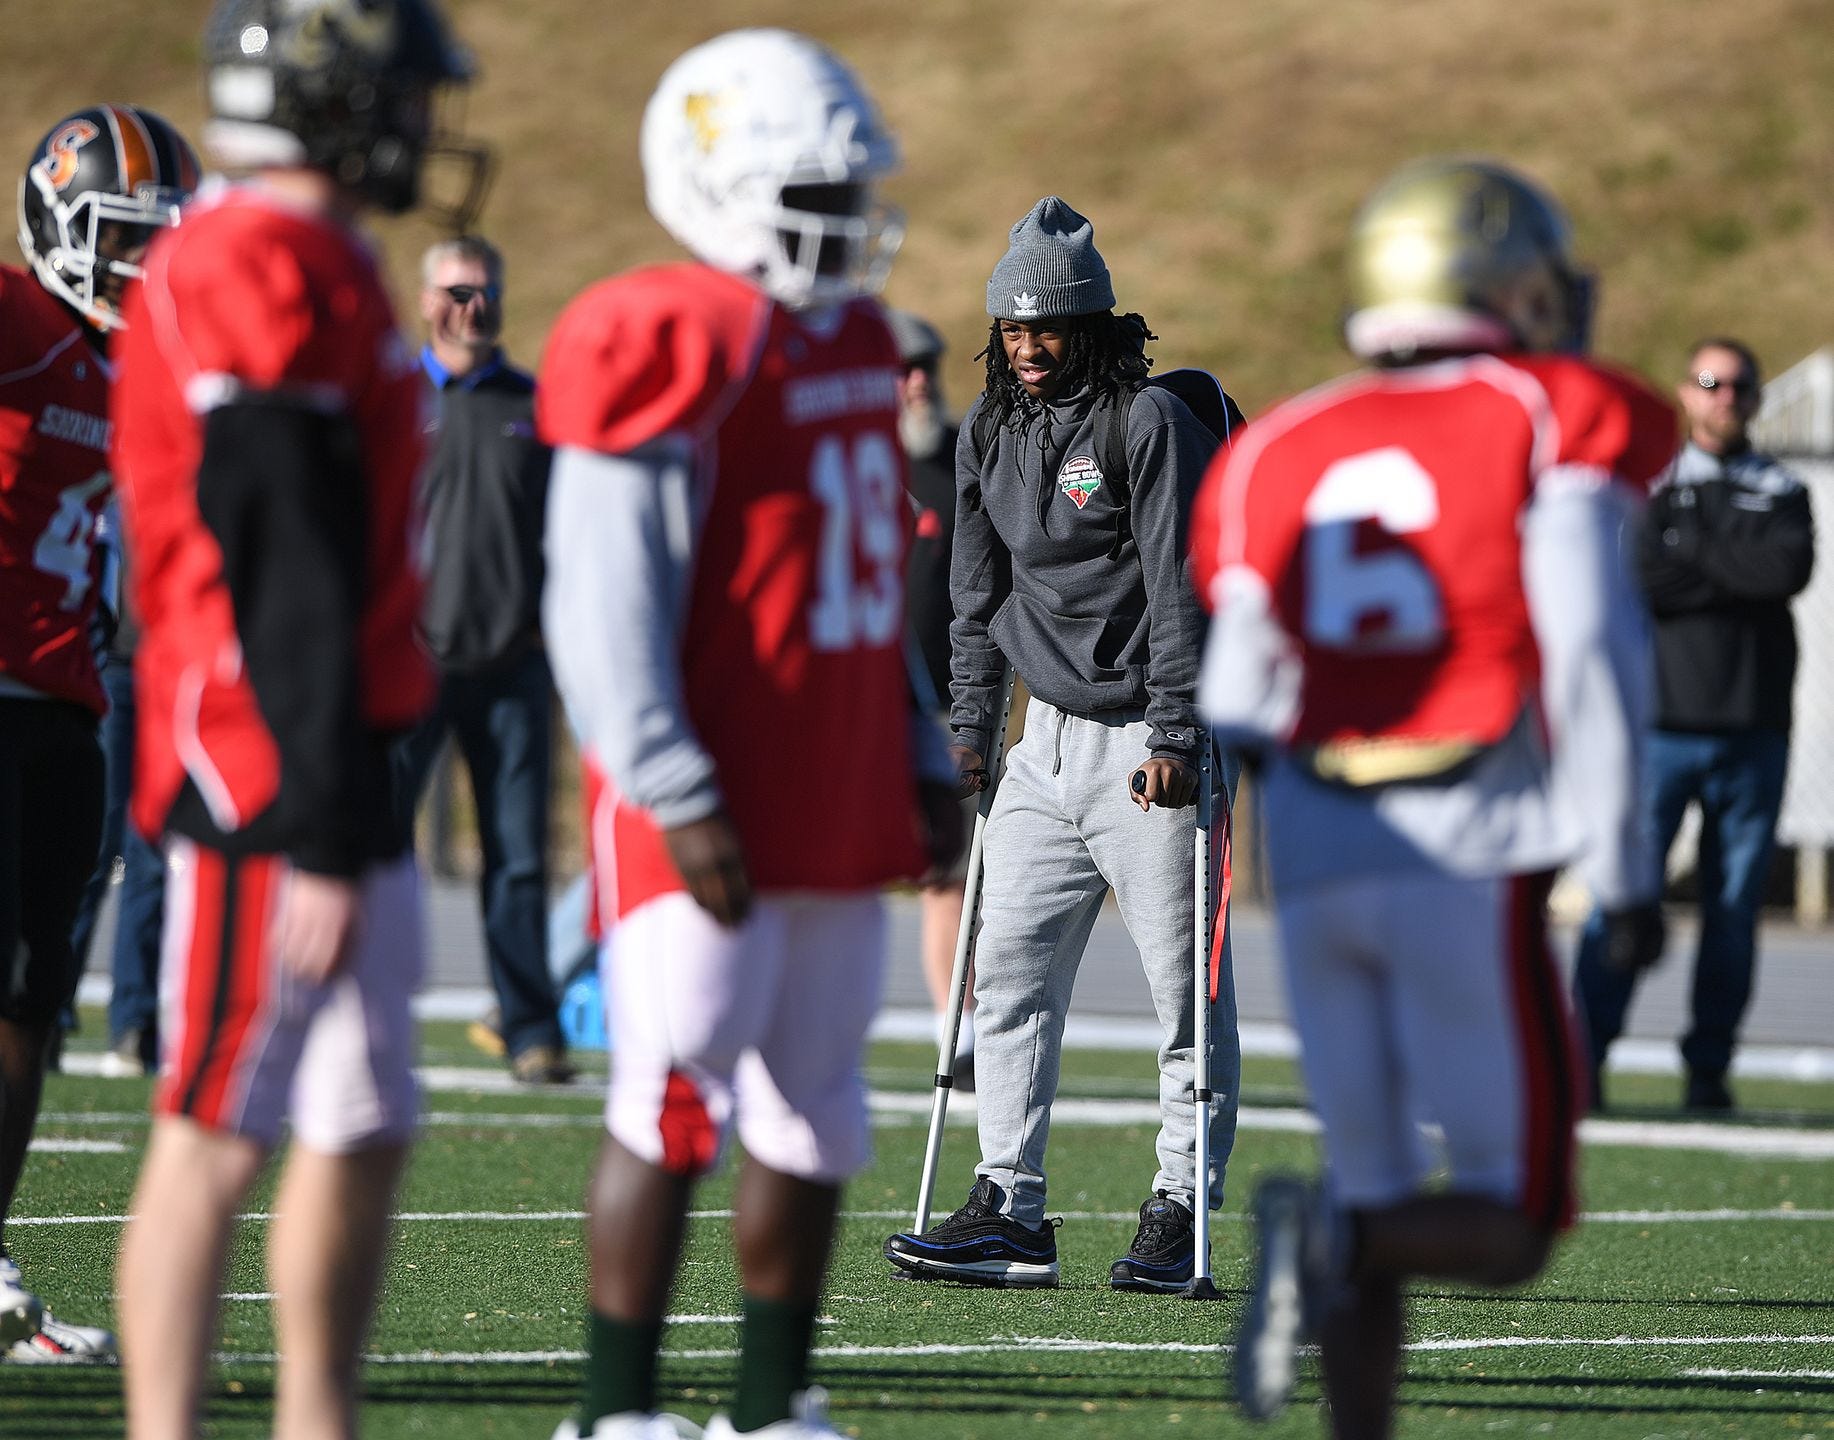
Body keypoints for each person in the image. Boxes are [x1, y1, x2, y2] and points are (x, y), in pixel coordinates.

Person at [1195, 158, 1676, 1438]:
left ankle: (1346, 1284)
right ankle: (1330, 1233)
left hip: (1316, 842)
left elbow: (1236, 688)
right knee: (1511, 1217)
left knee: (1377, 1182)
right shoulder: (1548, 408)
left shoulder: (1279, 443)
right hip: (1472, 841)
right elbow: (1584, 649)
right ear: (1503, 286)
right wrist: (1624, 873)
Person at [538, 28, 960, 1440]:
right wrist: (666, 778)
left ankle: (773, 1406)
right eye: (815, 195)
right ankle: (616, 1415)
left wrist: (911, 743)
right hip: (707, 782)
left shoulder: (844, 334)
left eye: (853, 198)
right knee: (672, 1097)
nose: (844, 226)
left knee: (818, 1109)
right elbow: (601, 599)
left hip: (831, 776)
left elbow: (865, 577)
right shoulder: (659, 332)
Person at [109, 1, 488, 1435]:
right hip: (265, 754)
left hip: (331, 754)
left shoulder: (322, 253)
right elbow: (284, 557)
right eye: (388, 99)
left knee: (365, 1118)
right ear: (324, 102)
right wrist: (323, 813)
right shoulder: (249, 255)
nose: (411, 126)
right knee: (216, 1125)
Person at [883, 196, 1241, 1294]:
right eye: (1012, 330)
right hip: (1043, 744)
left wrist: (1177, 729)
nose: (1028, 349)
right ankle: (1009, 1208)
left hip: (1151, 744)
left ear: (1090, 326)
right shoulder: (989, 430)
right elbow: (974, 601)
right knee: (1008, 977)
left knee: (1184, 997)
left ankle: (1178, 1207)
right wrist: (971, 739)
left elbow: (1185, 588)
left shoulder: (1145, 424)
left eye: (1047, 328)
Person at [0, 101, 195, 1362]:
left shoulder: (149, 363)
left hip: (69, 711)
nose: (144, 266)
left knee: (26, 1007)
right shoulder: (14, 318)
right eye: (123, 239)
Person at [1572, 338, 1814, 1114]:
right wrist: (1729, 565)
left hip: (1753, 729)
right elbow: (1648, 572)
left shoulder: (1780, 487)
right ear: (1688, 391)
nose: (1726, 397)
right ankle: (1586, 1061)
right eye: (1712, 382)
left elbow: (1784, 573)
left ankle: (1709, 1069)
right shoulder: (1655, 484)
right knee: (1622, 893)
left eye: (1741, 385)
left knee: (1734, 911)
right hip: (1660, 727)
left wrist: (1695, 555)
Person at [394, 232, 572, 1085]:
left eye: (484, 292)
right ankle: (368, 1012)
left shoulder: (535, 407)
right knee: (379, 847)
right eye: (456, 292)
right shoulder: (391, 401)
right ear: (427, 300)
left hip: (510, 666)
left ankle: (530, 1026)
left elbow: (567, 535)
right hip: (409, 662)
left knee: (518, 855)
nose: (471, 307)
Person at [891, 307, 977, 1082]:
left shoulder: (961, 461)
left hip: (945, 706)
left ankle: (961, 1032)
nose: (919, 384)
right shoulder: (855, 461)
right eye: (903, 370)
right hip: (859, 709)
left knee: (951, 875)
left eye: (928, 369)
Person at [66, 499, 167, 1080]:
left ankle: (133, 1023)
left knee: (149, 852)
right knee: (95, 844)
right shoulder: (117, 446)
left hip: (170, 671)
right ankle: (50, 1009)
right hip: (114, 669)